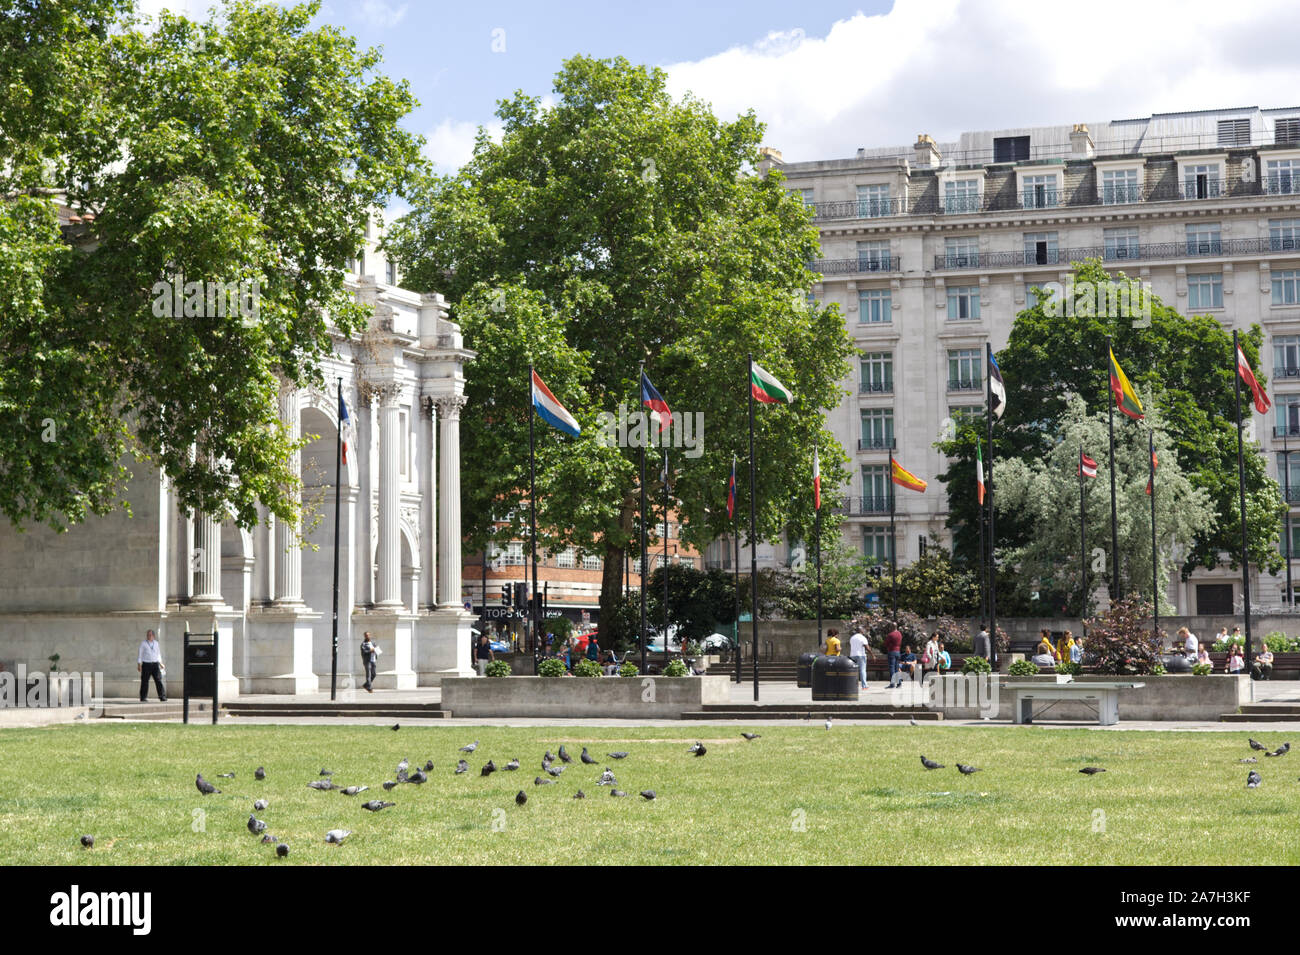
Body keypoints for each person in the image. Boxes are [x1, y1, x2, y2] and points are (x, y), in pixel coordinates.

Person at [137, 629, 167, 702]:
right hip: (146, 664)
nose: (149, 636)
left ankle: (162, 696)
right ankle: (143, 697)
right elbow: (140, 654)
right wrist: (139, 665)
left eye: (150, 635)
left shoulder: (156, 643)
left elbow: (158, 654)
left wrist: (161, 663)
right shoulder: (143, 643)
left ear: (153, 636)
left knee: (158, 680)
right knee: (145, 681)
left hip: (155, 664)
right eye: (148, 635)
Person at [885, 623, 904, 688]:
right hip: (898, 652)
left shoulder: (890, 635)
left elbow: (886, 644)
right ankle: (899, 683)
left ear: (892, 627)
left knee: (892, 668)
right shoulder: (899, 634)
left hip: (891, 652)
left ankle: (892, 684)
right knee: (897, 668)